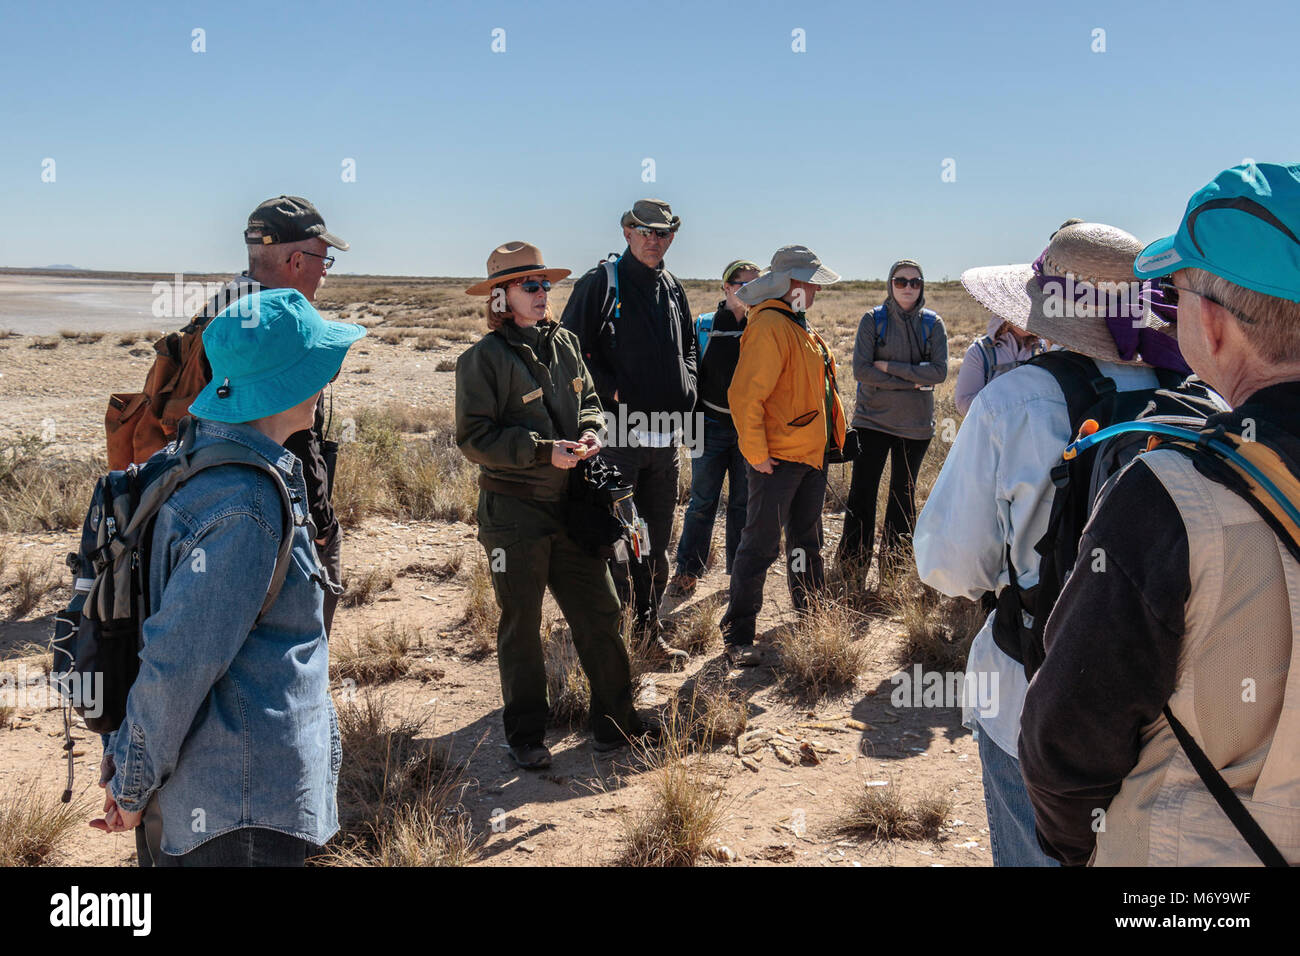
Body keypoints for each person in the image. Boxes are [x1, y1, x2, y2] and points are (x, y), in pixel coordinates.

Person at [1021, 162, 1300, 866]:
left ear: (1209, 319)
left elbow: (1063, 740)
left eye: (1174, 293)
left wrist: (1079, 850)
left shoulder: (1172, 496)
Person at [913, 221, 1210, 867]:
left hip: (1030, 692)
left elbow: (949, 562)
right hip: (1178, 703)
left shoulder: (1014, 401)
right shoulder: (1201, 401)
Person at [90, 287, 365, 866]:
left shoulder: (202, 463)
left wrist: (129, 768)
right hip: (241, 809)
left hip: (223, 799)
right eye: (317, 369)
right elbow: (179, 661)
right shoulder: (245, 503)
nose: (326, 384)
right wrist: (133, 786)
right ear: (286, 383)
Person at [108, 195, 351, 635]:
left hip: (201, 495)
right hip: (268, 504)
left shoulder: (224, 307)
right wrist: (319, 521)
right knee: (294, 632)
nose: (325, 270)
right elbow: (291, 435)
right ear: (297, 259)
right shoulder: (275, 322)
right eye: (323, 258)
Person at [456, 241, 650, 769]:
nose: (543, 294)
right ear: (501, 297)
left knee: (602, 611)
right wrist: (543, 452)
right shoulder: (481, 360)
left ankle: (616, 724)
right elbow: (473, 439)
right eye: (530, 286)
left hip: (574, 509)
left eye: (545, 285)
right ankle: (526, 737)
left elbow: (589, 401)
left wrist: (590, 433)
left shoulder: (564, 342)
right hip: (515, 512)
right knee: (522, 623)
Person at [560, 199, 697, 654]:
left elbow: (689, 348)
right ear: (626, 231)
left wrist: (689, 386)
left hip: (667, 438)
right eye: (645, 231)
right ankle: (609, 645)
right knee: (618, 543)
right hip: (619, 439)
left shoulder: (674, 287)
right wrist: (612, 392)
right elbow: (568, 353)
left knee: (655, 545)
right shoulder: (601, 284)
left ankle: (646, 635)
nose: (654, 240)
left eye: (663, 233)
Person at [720, 246, 848, 666]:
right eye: (808, 281)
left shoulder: (796, 325)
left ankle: (811, 618)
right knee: (759, 545)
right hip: (777, 459)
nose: (814, 289)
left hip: (808, 456)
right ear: (790, 284)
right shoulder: (771, 325)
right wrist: (756, 454)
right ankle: (738, 635)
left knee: (807, 542)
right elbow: (744, 396)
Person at [837, 260, 948, 577]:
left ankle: (894, 572)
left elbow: (939, 372)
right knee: (862, 493)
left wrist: (887, 368)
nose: (908, 287)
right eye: (901, 281)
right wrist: (913, 381)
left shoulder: (933, 324)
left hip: (915, 426)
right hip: (871, 421)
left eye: (915, 282)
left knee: (904, 497)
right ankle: (851, 567)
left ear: (922, 285)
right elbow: (861, 370)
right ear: (891, 284)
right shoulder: (873, 320)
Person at [665, 259, 761, 602]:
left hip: (749, 431)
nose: (747, 292)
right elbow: (690, 377)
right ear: (726, 287)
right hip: (707, 426)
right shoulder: (704, 325)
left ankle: (738, 573)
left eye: (755, 286)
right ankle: (687, 571)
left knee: (742, 503)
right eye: (741, 285)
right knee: (702, 502)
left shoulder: (762, 326)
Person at [952, 315, 1044, 416]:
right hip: (993, 430)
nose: (1030, 317)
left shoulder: (1043, 349)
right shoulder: (980, 351)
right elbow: (964, 404)